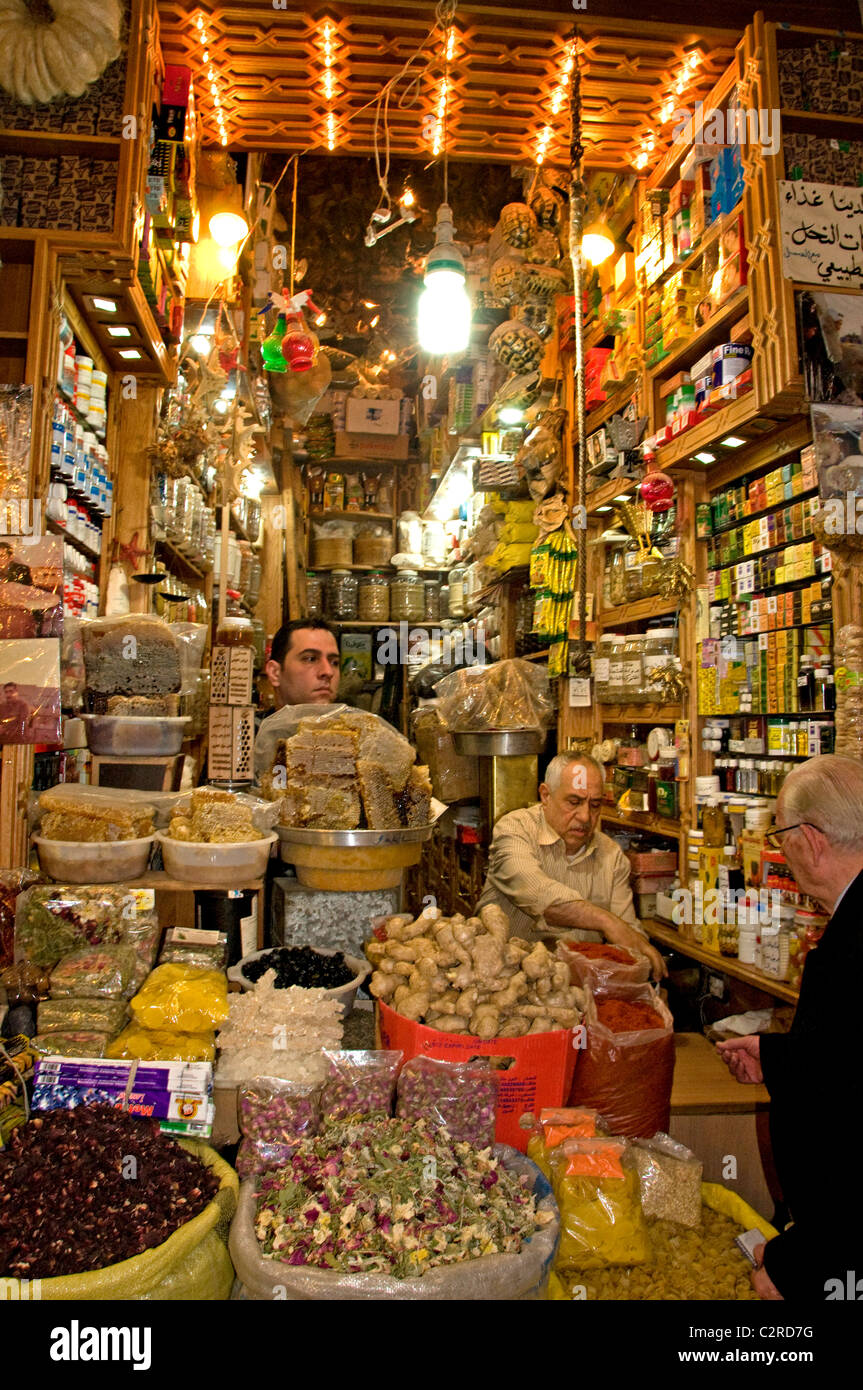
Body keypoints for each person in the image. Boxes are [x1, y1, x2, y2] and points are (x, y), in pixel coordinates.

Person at [717, 754, 863, 1301]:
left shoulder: (848, 953)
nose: (780, 850)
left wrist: (807, 1265)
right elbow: (842, 1063)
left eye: (782, 834)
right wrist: (780, 1058)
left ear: (811, 839)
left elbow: (846, 1134)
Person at [476, 751, 666, 979]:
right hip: (503, 982)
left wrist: (641, 972)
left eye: (594, 805)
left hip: (578, 990)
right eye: (573, 802)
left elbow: (628, 935)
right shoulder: (515, 829)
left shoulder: (611, 855)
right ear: (546, 795)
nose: (585, 817)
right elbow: (542, 897)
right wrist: (606, 921)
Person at [263, 618, 341, 710]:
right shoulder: (253, 723)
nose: (328, 672)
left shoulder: (357, 723)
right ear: (275, 673)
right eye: (311, 659)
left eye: (334, 663)